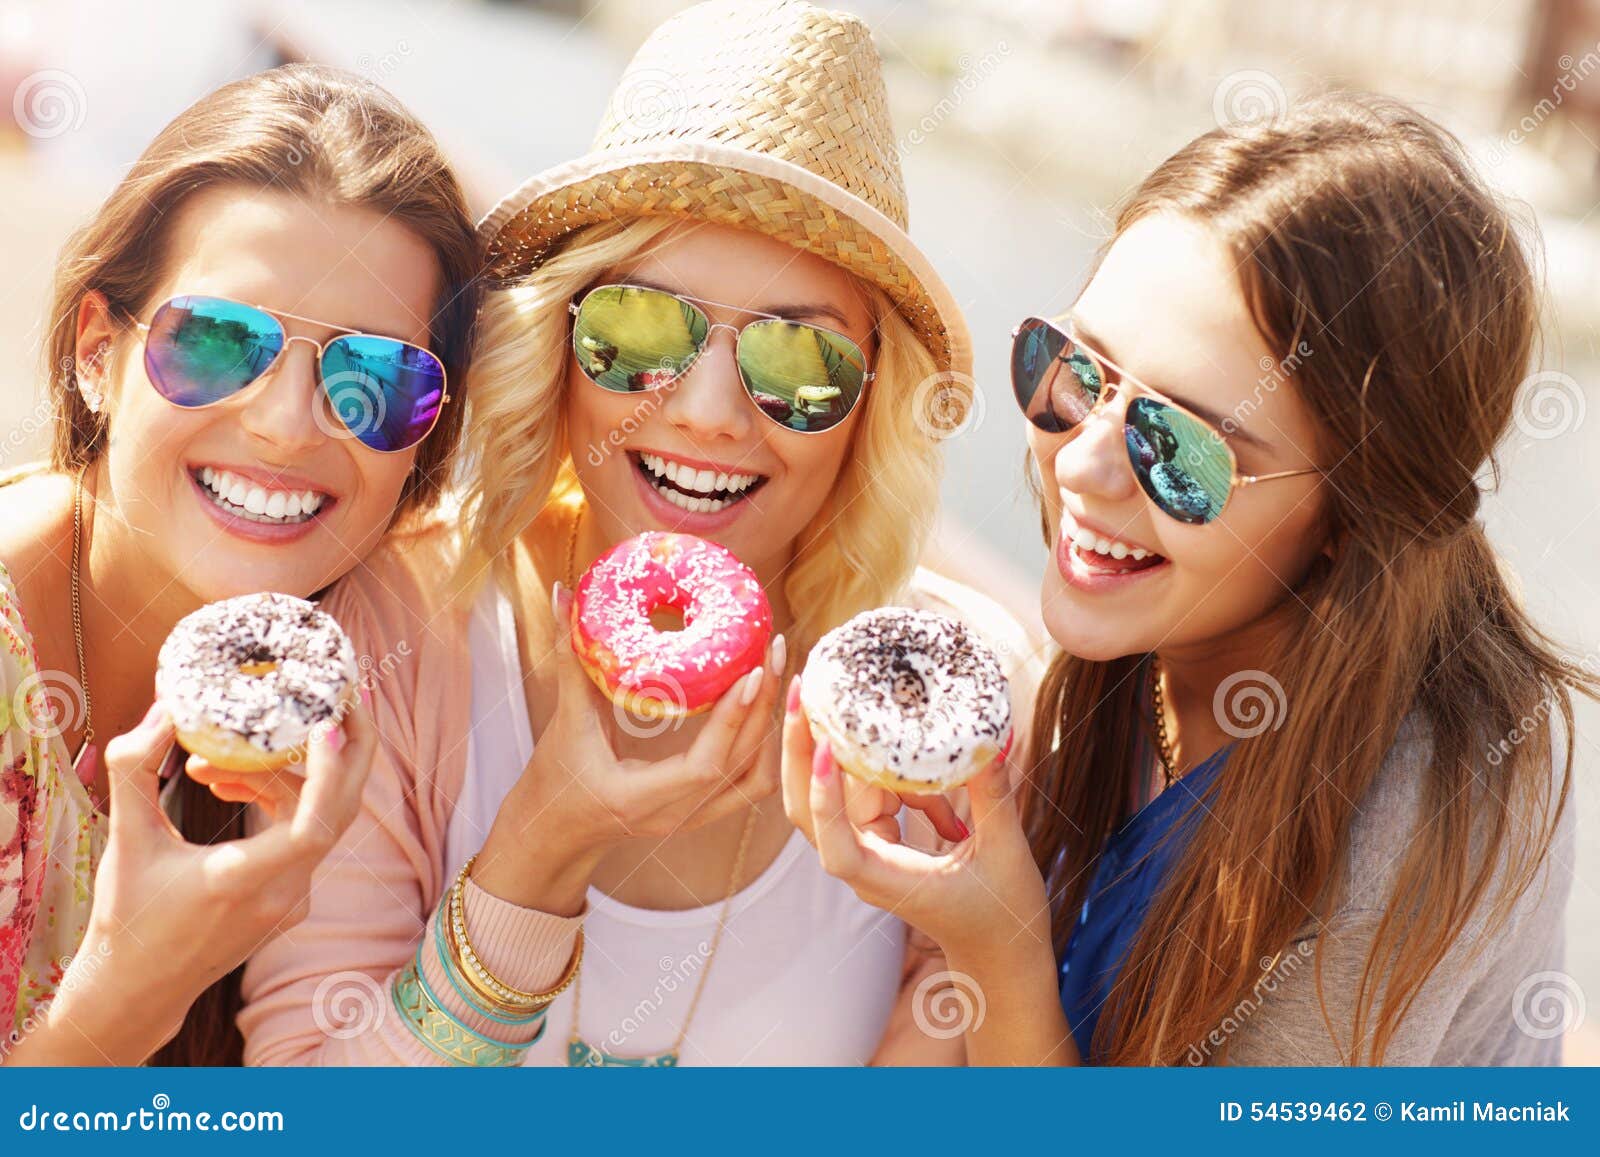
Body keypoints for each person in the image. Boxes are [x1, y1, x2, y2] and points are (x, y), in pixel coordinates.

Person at [239, 0, 1044, 1066]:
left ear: (871, 400)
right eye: (638, 328)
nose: (709, 410)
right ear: (560, 344)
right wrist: (539, 843)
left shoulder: (941, 714)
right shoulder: (395, 631)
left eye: (798, 361)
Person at [786, 91, 1592, 1065]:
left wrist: (994, 947)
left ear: (1354, 514)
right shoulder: (1145, 654)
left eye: (1180, 450)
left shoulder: (1416, 810)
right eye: (1077, 373)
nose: (1081, 464)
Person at [0, 63, 482, 1065]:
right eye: (219, 342)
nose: (285, 422)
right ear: (99, 351)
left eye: (376, 378)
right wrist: (127, 996)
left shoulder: (376, 671)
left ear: (425, 441)